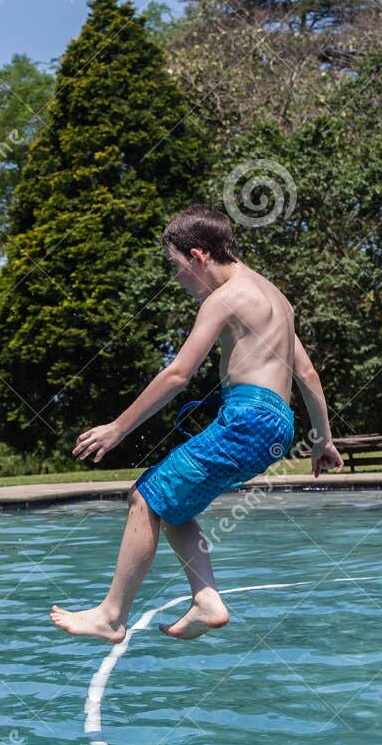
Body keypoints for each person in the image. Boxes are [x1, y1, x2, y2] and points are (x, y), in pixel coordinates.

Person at [50, 203, 342, 643]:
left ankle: (111, 616)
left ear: (199, 255)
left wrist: (118, 428)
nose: (178, 277)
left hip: (247, 418)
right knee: (171, 503)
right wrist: (323, 438)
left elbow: (177, 374)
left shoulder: (224, 297)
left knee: (144, 498)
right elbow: (307, 373)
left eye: (177, 265)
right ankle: (205, 599)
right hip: (278, 425)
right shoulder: (276, 297)